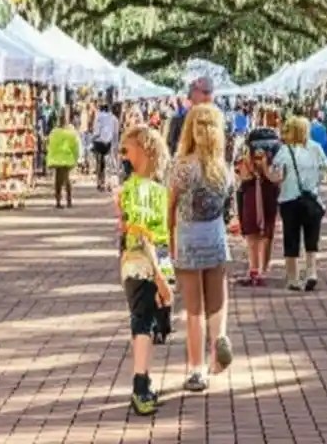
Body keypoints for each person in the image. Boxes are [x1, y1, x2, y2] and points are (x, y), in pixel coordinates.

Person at [168, 104, 238, 391]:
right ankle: (219, 341)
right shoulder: (224, 169)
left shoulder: (182, 167)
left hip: (188, 240)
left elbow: (170, 206)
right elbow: (229, 209)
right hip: (216, 240)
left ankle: (197, 369)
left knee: (193, 309)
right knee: (217, 301)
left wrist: (169, 241)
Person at [115, 125, 175, 415]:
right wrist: (161, 275)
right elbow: (141, 235)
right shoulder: (139, 189)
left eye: (127, 150)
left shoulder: (145, 190)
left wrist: (165, 274)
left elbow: (149, 234)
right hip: (144, 263)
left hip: (144, 262)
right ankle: (140, 385)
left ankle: (144, 380)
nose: (123, 156)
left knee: (146, 322)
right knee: (144, 322)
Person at [272, 116, 327, 291]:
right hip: (311, 199)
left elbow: (277, 176)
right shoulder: (316, 148)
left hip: (289, 199)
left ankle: (293, 278)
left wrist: (267, 171)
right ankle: (311, 272)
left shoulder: (284, 151)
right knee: (312, 239)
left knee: (291, 238)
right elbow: (324, 169)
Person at [235, 149, 279, 286]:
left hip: (256, 199)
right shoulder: (272, 158)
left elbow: (241, 179)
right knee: (260, 236)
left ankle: (256, 269)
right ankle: (259, 270)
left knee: (257, 237)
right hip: (262, 199)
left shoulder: (248, 161)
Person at [46, 112, 80, 209]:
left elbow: (49, 145)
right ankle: (69, 201)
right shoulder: (71, 133)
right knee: (67, 180)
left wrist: (49, 157)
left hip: (56, 160)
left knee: (58, 181)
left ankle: (58, 201)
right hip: (67, 159)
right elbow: (75, 147)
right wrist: (76, 158)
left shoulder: (53, 133)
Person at [92, 102, 118, 192]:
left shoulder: (98, 117)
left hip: (98, 142)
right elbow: (115, 133)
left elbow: (96, 130)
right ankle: (108, 183)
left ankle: (100, 182)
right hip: (108, 143)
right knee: (108, 163)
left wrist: (94, 138)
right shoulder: (114, 118)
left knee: (99, 163)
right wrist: (115, 145)